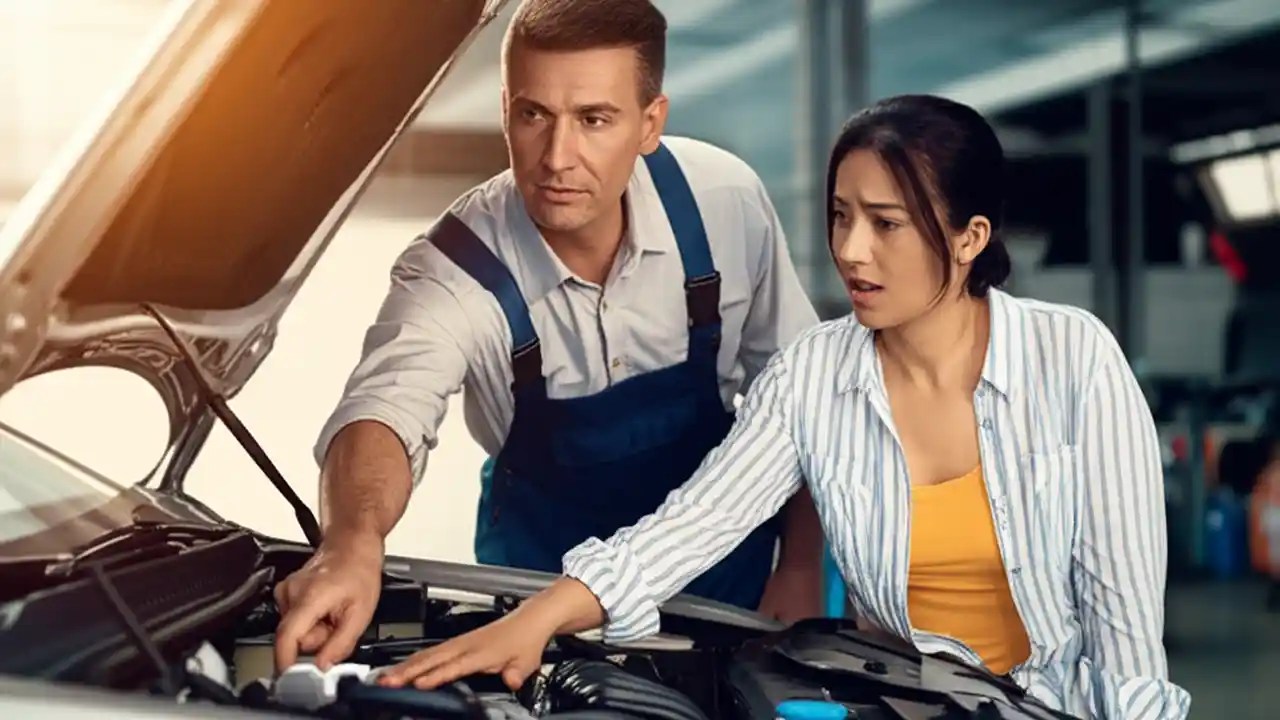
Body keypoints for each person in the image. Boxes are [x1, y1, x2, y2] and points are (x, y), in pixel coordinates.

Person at [374, 94, 1193, 720]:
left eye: (886, 224)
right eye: (841, 216)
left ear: (970, 237)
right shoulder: (813, 376)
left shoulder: (1074, 359)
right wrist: (537, 620)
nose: (850, 251)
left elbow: (1124, 635)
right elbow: (685, 529)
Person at [272, 0, 824, 672]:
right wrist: (352, 543)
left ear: (651, 124)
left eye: (594, 119)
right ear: (506, 109)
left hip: (730, 587)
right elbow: (385, 408)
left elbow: (801, 397)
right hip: (537, 609)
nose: (557, 157)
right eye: (534, 115)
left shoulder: (724, 202)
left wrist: (799, 565)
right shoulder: (453, 270)